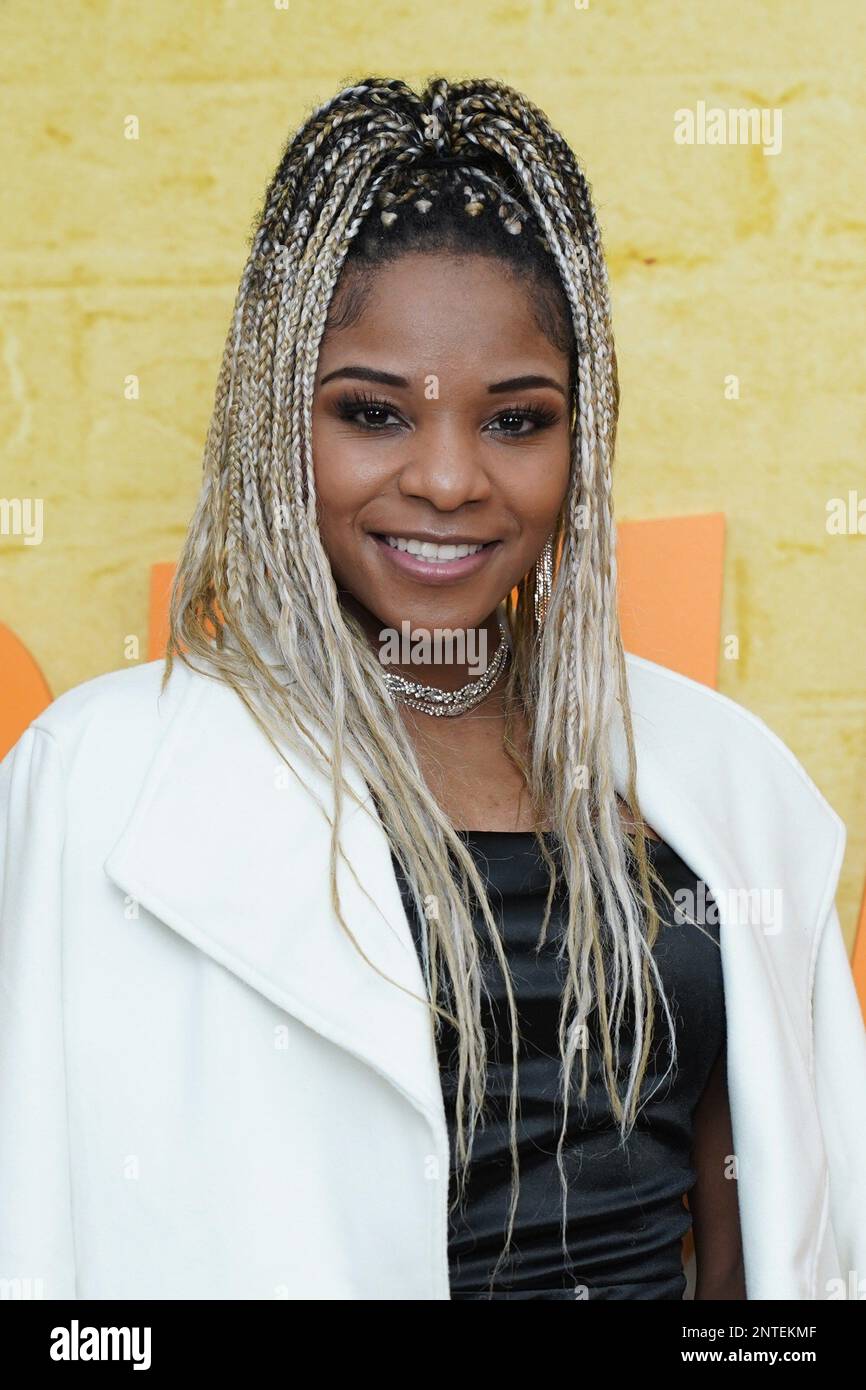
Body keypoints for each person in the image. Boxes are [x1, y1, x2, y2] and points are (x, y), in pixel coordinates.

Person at [1, 75, 865, 1302]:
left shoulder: (726, 791)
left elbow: (768, 1255)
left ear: (583, 438)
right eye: (372, 413)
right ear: (272, 420)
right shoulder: (95, 783)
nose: (450, 478)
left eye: (516, 422)